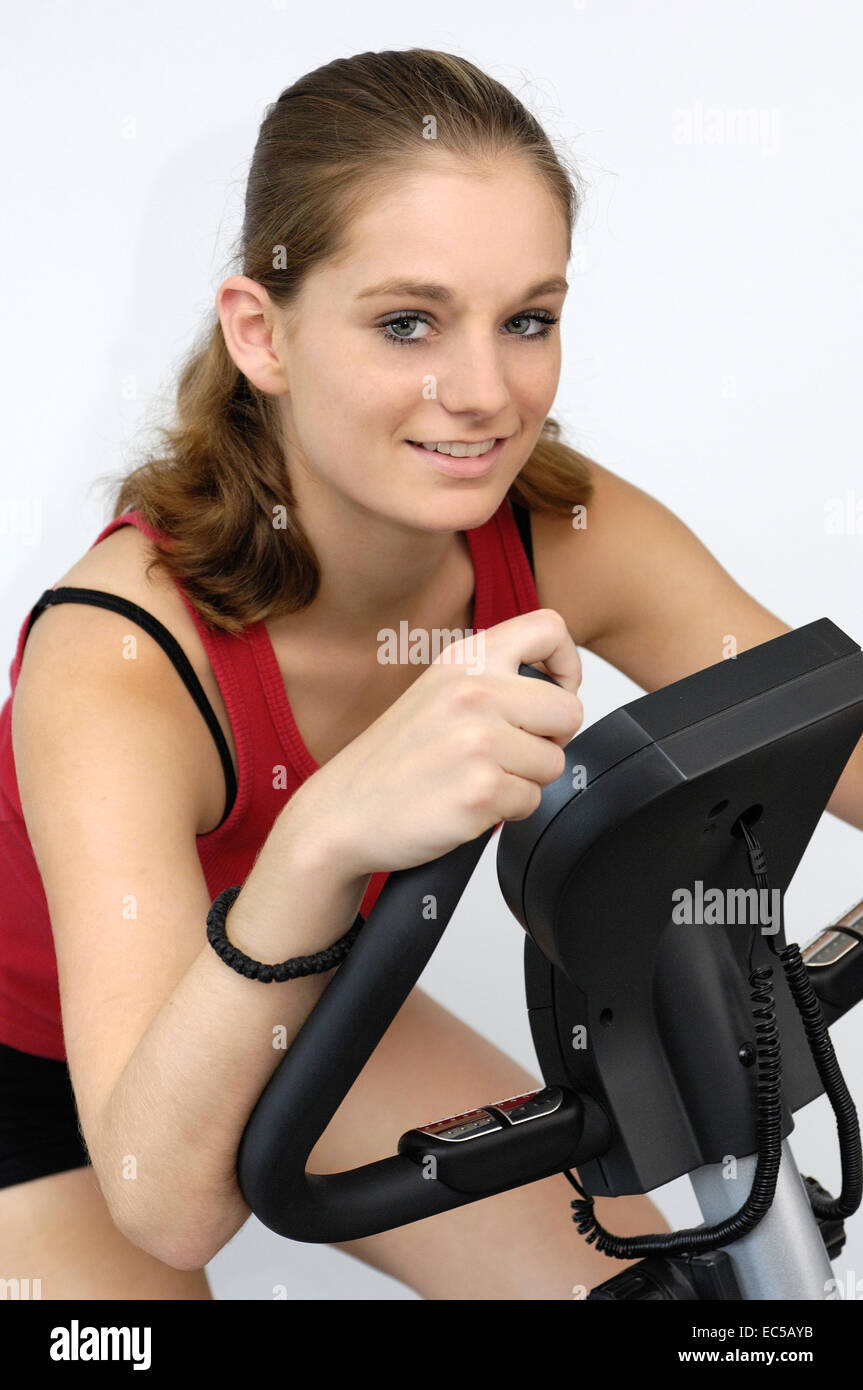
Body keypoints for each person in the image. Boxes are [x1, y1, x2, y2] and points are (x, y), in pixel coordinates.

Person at [3, 49, 861, 1303]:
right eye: (406, 322)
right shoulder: (119, 657)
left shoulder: (560, 531)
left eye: (526, 319)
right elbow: (164, 1199)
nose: (483, 395)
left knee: (664, 1294)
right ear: (262, 332)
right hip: (41, 1081)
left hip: (299, 1005)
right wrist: (322, 834)